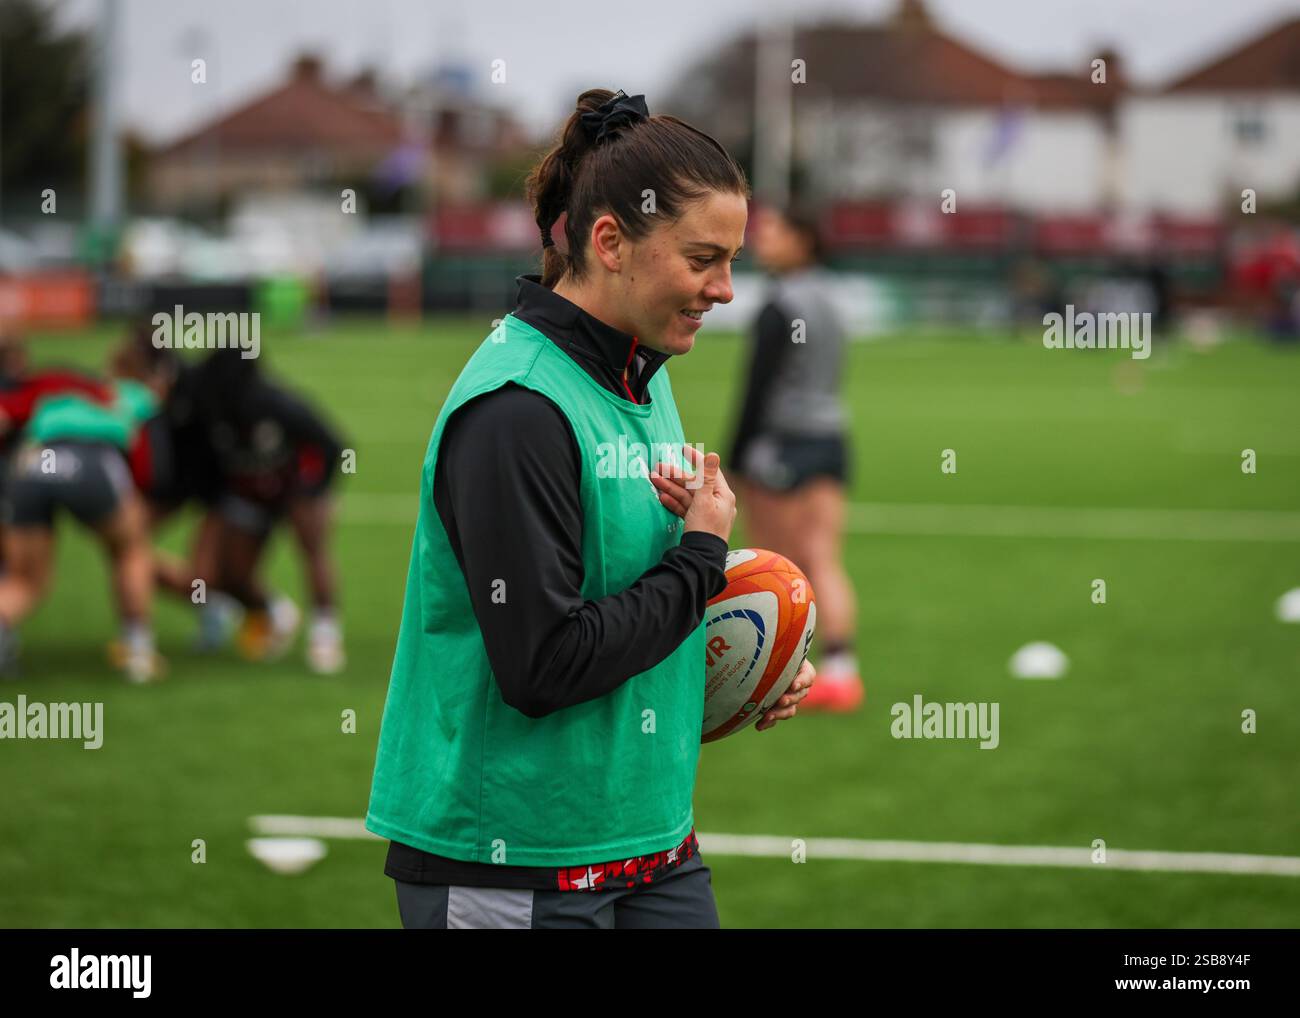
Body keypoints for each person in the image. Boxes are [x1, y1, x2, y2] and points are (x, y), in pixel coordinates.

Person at [366, 89, 816, 929]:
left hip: (654, 846)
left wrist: (753, 658)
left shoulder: (643, 372)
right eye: (702, 259)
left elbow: (643, 595)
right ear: (610, 241)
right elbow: (544, 665)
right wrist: (700, 561)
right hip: (512, 859)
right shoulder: (517, 409)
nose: (724, 289)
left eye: (733, 262)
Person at [726, 202, 863, 711]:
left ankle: (779, 676)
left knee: (774, 569)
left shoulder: (779, 304)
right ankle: (843, 671)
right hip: (831, 437)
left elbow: (755, 391)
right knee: (824, 558)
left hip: (781, 442)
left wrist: (736, 459)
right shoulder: (833, 297)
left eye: (773, 232)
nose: (761, 240)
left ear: (803, 239)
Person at [0, 363, 161, 682]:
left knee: (25, 581)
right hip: (90, 463)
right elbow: (145, 462)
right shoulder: (134, 397)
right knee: (131, 548)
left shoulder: (55, 393)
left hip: (33, 463)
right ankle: (138, 651)